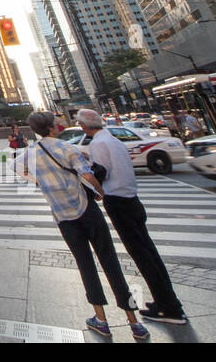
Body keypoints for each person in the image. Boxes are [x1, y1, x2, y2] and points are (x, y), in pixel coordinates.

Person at [16, 112, 147, 340]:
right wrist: (100, 192)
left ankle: (101, 319)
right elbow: (87, 176)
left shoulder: (30, 153)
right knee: (110, 262)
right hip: (87, 210)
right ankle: (134, 322)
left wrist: (40, 181)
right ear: (53, 127)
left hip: (63, 217)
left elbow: (17, 167)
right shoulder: (68, 148)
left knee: (85, 265)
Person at [77, 110, 187, 325]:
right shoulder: (114, 141)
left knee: (142, 256)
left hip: (119, 202)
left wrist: (91, 192)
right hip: (133, 200)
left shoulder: (99, 143)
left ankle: (170, 309)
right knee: (149, 252)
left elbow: (100, 173)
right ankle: (168, 302)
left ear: (83, 126)